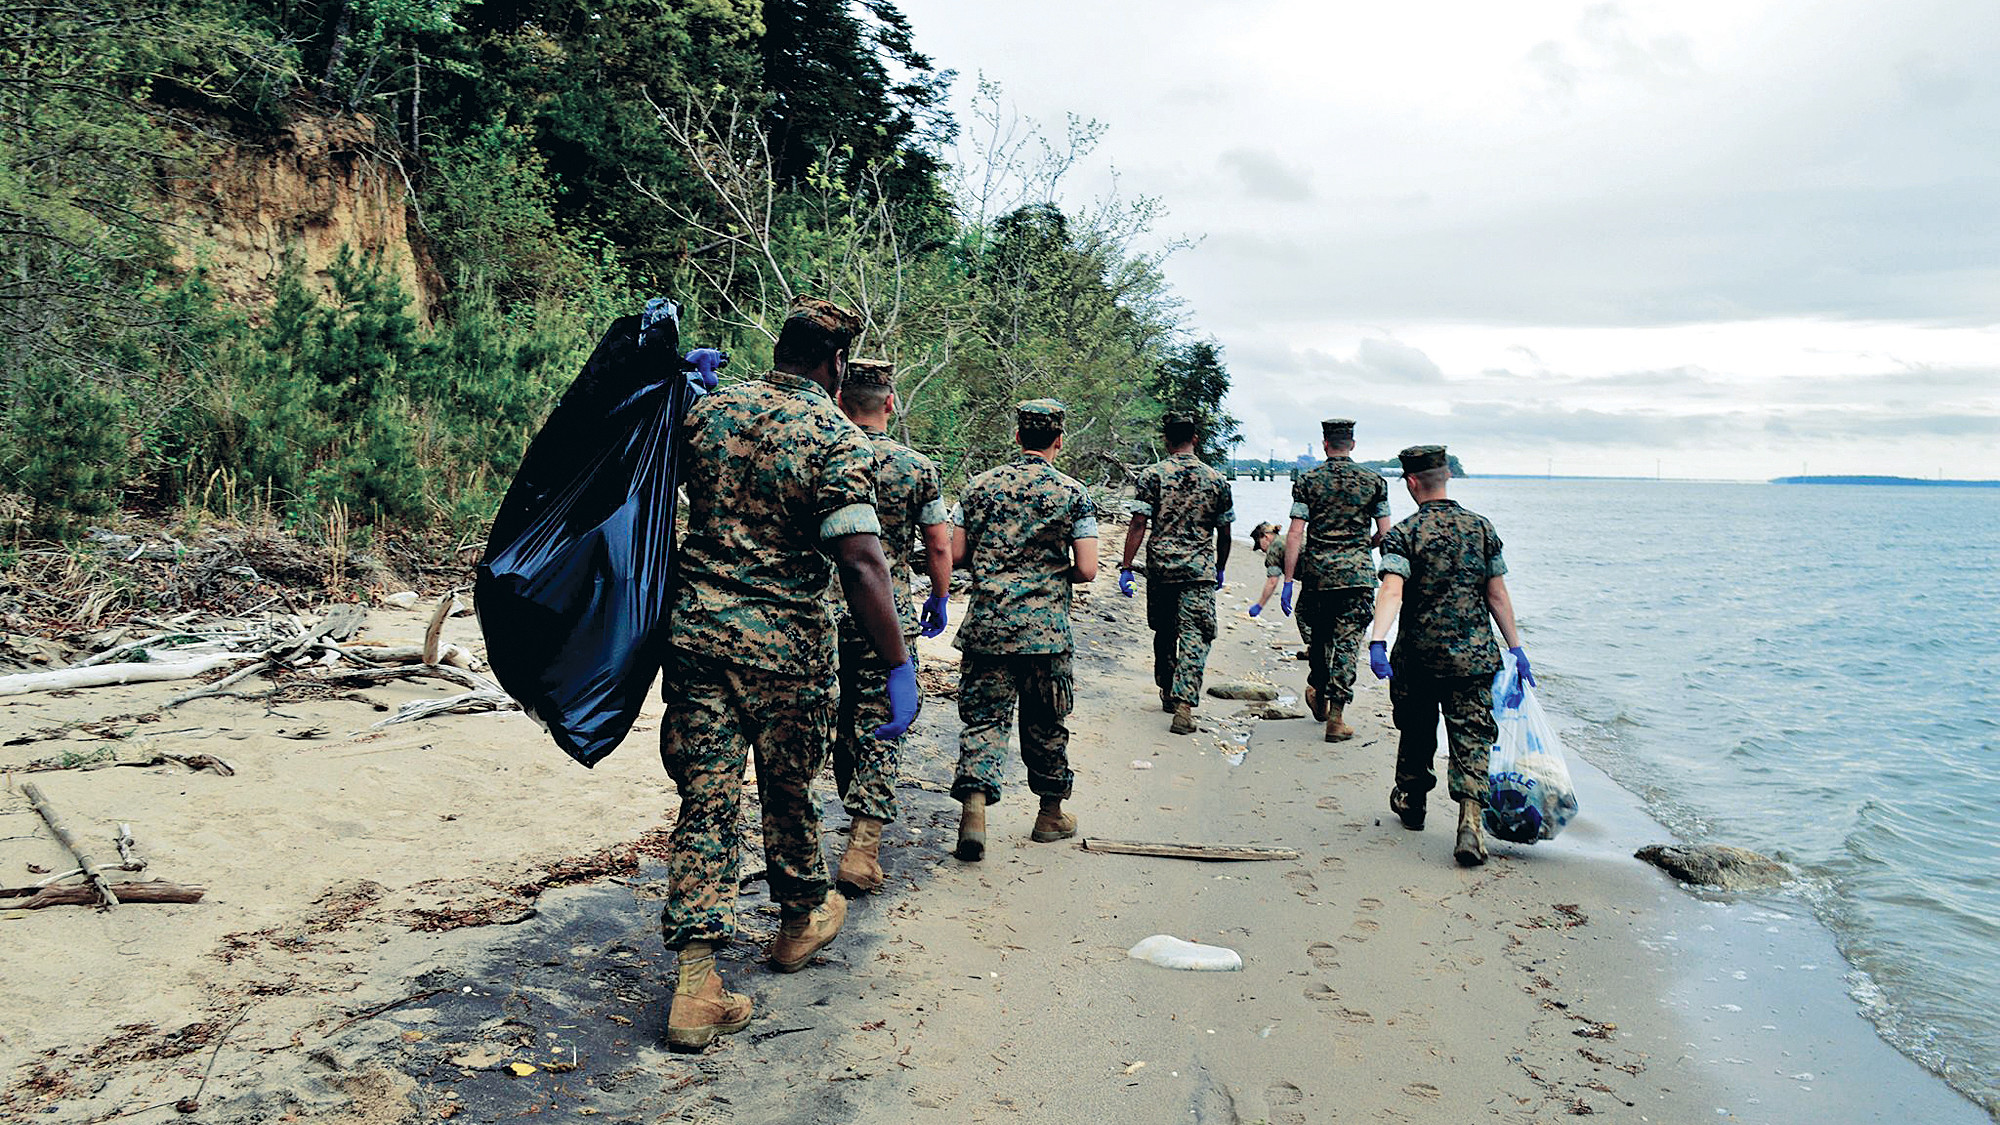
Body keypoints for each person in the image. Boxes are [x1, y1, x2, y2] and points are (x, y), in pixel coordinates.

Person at [658, 296, 918, 1051]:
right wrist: (898, 663)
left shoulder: (707, 412)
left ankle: (696, 984)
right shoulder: (835, 437)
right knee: (787, 787)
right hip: (786, 650)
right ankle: (801, 915)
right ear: (836, 364)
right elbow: (861, 561)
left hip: (698, 639)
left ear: (779, 349)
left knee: (706, 800)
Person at [1365, 444, 1534, 868]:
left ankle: (1412, 801)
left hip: (1418, 657)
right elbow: (1497, 593)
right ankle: (1470, 822)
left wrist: (1377, 640)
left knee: (1416, 729)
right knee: (1471, 736)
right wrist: (1516, 647)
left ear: (1411, 483)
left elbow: (1392, 590)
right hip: (1474, 657)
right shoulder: (1481, 528)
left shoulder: (1403, 533)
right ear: (1447, 477)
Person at [949, 399, 1099, 861]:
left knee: (984, 720)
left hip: (988, 626)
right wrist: (1051, 576)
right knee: (1046, 722)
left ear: (1017, 437)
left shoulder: (978, 487)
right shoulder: (1073, 493)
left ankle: (974, 811)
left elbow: (956, 555)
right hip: (1045, 632)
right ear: (1059, 440)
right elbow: (1088, 568)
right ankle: (1049, 815)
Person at [830, 358, 952, 895]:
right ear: (890, 402)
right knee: (881, 721)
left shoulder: (821, 450)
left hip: (821, 609)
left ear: (840, 400)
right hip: (887, 612)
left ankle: (832, 817)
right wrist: (939, 597)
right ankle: (863, 845)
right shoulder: (916, 467)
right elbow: (939, 544)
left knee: (831, 719)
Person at [1118, 412, 1234, 734]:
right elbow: (1225, 532)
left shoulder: (1151, 476)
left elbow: (1138, 523)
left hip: (1162, 569)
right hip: (1198, 571)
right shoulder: (1217, 480)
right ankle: (1184, 705)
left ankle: (1168, 690)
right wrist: (1220, 568)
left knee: (1165, 631)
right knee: (1196, 636)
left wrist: (1127, 567)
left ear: (1166, 441)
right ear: (1195, 439)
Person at [1281, 419, 1391, 742]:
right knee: (1347, 643)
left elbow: (1295, 532)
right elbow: (1386, 533)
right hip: (1357, 575)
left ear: (1325, 444)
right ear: (1352, 444)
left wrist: (1288, 579)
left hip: (1318, 575)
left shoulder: (1308, 480)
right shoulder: (1374, 482)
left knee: (1319, 639)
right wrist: (1366, 546)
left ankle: (1319, 691)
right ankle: (1336, 717)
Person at [1246, 521, 1283, 617]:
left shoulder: (1273, 549)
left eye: (1259, 544)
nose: (1262, 550)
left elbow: (1272, 582)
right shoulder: (1287, 538)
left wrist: (1259, 605)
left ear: (1266, 537)